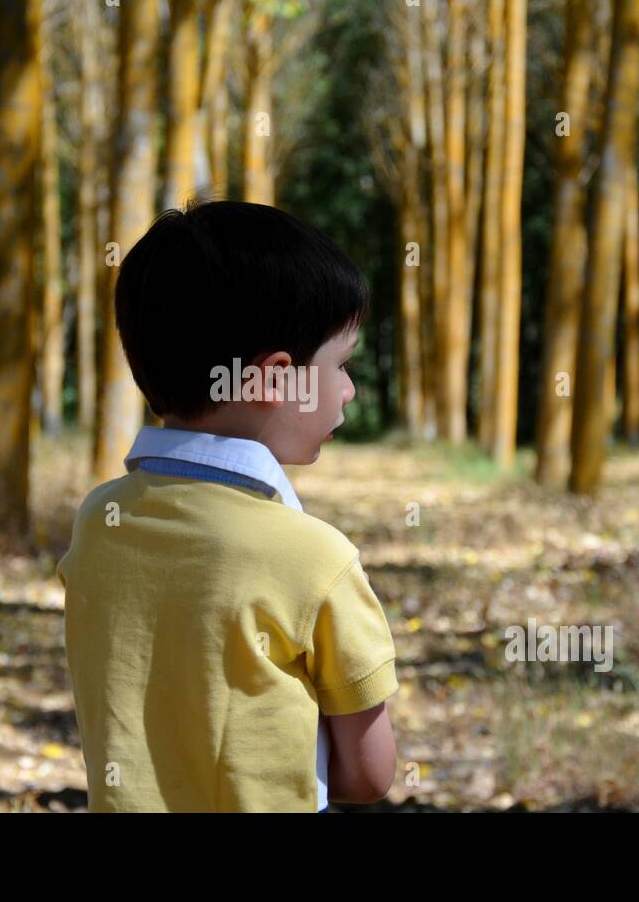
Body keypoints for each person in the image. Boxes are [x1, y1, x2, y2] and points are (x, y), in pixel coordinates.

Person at [58, 200, 399, 812]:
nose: (348, 388)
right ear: (274, 379)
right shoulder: (316, 560)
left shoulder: (97, 522)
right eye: (340, 364)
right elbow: (368, 777)